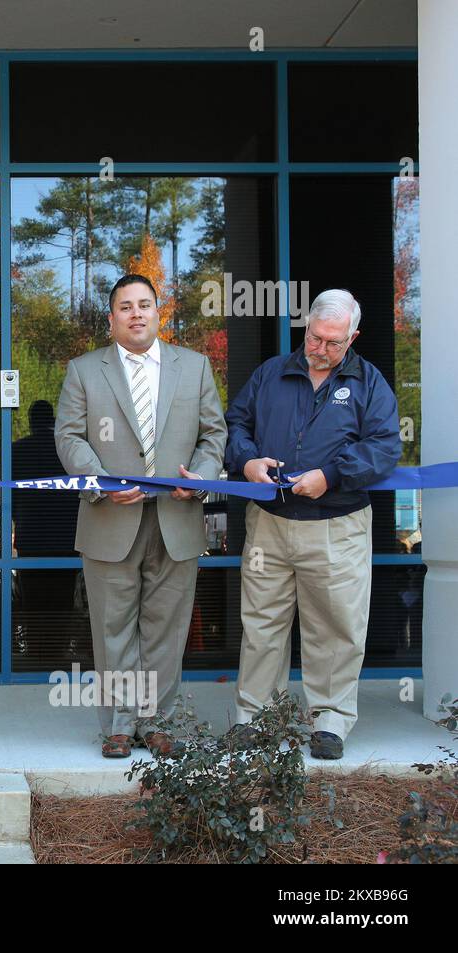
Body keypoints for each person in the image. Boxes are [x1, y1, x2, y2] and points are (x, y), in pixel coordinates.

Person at [55, 274, 226, 758]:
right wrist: (103, 482)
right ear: (112, 318)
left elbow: (214, 435)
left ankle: (157, 722)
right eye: (125, 306)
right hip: (110, 517)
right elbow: (68, 437)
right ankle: (119, 724)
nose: (136, 313)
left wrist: (200, 477)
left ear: (158, 312)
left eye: (144, 305)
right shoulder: (84, 370)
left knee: (166, 629)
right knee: (112, 628)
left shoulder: (194, 367)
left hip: (177, 516)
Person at [226, 289, 401, 759]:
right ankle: (254, 718)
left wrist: (332, 475)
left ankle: (330, 722)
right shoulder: (270, 373)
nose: (320, 349)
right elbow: (235, 425)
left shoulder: (369, 383)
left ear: (352, 337)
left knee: (335, 626)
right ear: (306, 327)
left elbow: (385, 446)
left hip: (337, 523)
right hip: (269, 521)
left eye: (332, 342)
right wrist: (246, 461)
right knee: (262, 624)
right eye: (314, 338)